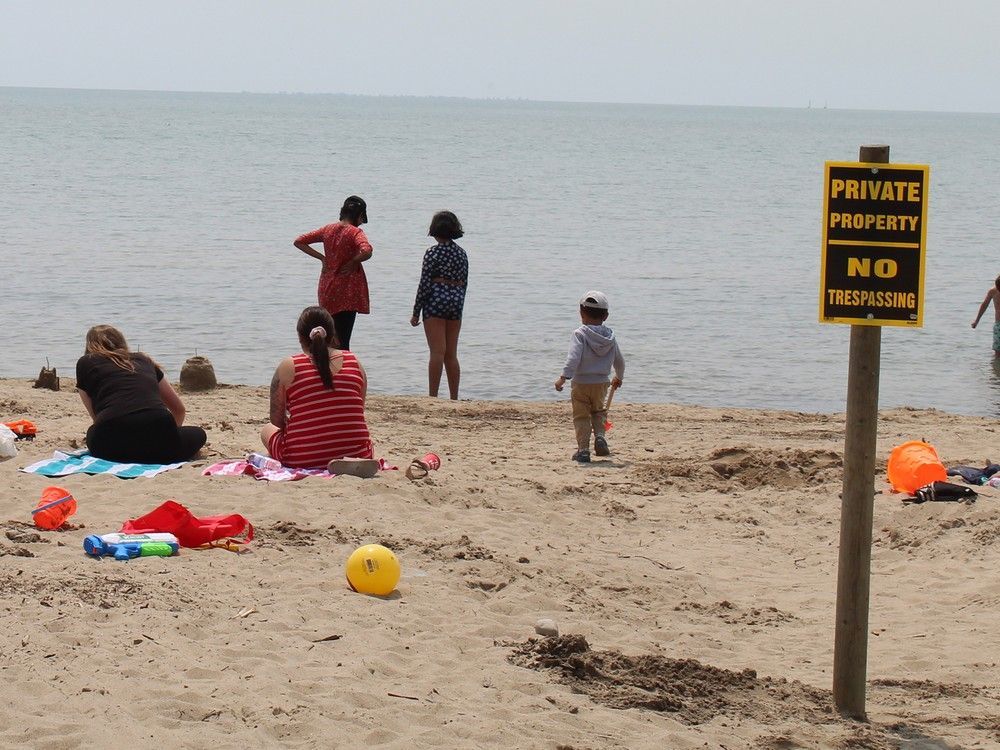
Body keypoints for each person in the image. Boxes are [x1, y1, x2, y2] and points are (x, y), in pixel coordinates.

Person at [260, 306, 378, 474]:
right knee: (364, 439)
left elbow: (277, 420)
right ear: (332, 335)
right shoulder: (354, 361)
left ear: (301, 338)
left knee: (267, 430)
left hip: (301, 457)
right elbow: (357, 409)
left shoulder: (289, 366)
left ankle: (318, 455)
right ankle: (346, 455)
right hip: (358, 452)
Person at [75, 325, 207, 463]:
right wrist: (168, 437)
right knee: (198, 434)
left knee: (93, 433)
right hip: (159, 426)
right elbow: (179, 410)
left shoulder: (85, 363)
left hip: (113, 441)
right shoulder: (143, 360)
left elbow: (96, 417)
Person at [293, 195, 373, 351]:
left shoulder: (327, 230)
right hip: (348, 293)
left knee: (329, 337)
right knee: (343, 340)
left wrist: (322, 258)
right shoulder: (355, 232)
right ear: (359, 216)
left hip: (328, 289)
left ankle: (323, 369)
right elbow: (367, 250)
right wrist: (353, 261)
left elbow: (299, 241)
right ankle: (343, 372)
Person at [554, 291, 625, 463]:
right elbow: (620, 360)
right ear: (606, 316)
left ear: (581, 314)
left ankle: (584, 450)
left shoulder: (580, 334)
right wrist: (619, 376)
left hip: (581, 383)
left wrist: (564, 377)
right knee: (599, 412)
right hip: (601, 383)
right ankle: (600, 436)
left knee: (581, 416)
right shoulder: (610, 337)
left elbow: (573, 358)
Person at [410, 211, 468, 399]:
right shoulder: (461, 253)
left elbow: (424, 283)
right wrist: (459, 304)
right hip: (456, 302)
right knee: (451, 353)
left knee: (436, 352)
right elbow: (465, 282)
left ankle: (433, 396)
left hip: (435, 302)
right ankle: (454, 396)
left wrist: (416, 312)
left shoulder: (432, 252)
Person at [971, 275, 1000, 357]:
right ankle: (996, 368)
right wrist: (976, 321)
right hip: (999, 324)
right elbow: (984, 305)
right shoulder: (993, 291)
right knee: (997, 351)